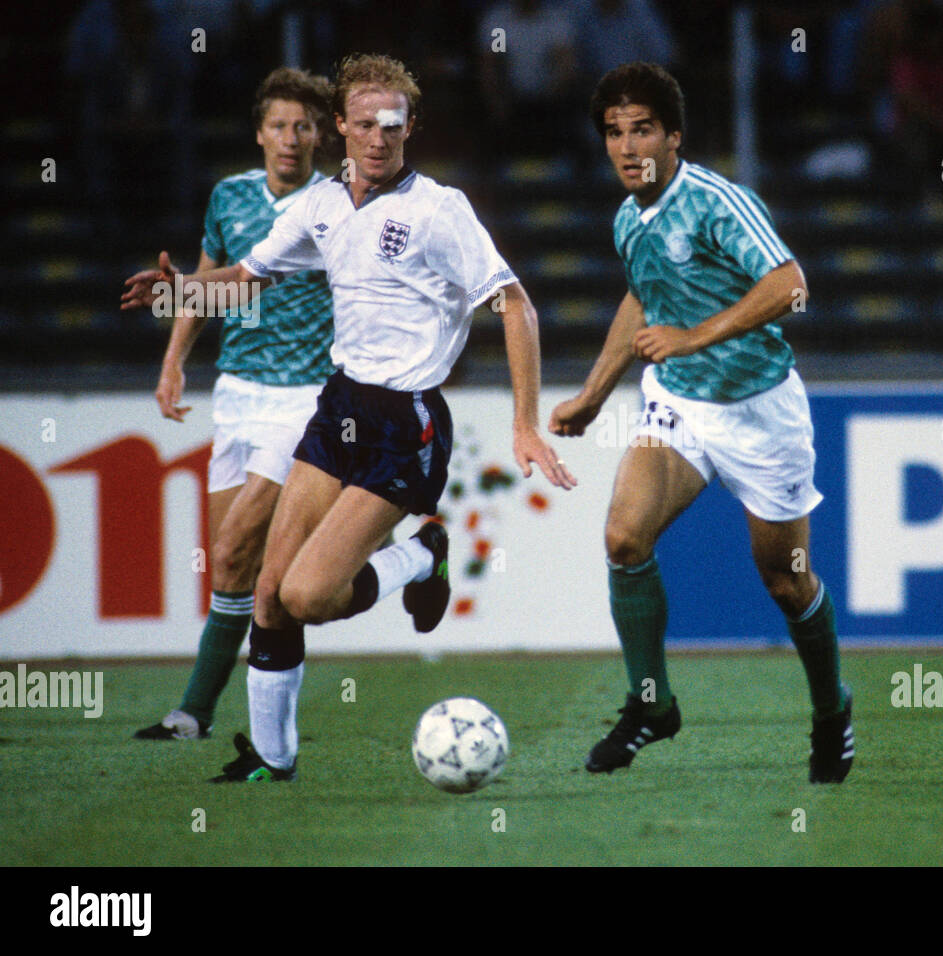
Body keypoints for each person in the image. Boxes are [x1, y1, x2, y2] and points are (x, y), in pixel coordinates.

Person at [123, 54, 576, 782]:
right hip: (339, 409)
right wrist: (180, 293)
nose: (377, 137)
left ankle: (424, 554)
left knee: (307, 595)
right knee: (269, 593)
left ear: (411, 128)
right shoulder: (322, 205)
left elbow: (514, 303)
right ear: (341, 126)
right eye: (363, 123)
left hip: (409, 424)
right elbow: (245, 281)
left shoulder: (440, 209)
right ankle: (275, 760)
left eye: (391, 124)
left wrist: (525, 422)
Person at [549, 62, 853, 783]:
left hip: (760, 410)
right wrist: (595, 394)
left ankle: (830, 710)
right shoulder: (629, 218)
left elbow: (790, 284)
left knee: (785, 580)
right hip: (679, 403)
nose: (628, 147)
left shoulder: (716, 200)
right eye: (615, 133)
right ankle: (651, 704)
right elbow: (640, 298)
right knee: (624, 537)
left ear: (674, 137)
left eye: (643, 130)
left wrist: (694, 335)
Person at [134, 66, 335, 742]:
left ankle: (207, 712)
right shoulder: (229, 198)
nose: (290, 137)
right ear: (258, 133)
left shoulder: (337, 206)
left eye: (303, 125)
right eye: (278, 125)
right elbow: (212, 285)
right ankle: (201, 716)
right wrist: (172, 362)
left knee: (236, 546)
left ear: (318, 136)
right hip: (238, 395)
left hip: (304, 401)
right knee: (235, 570)